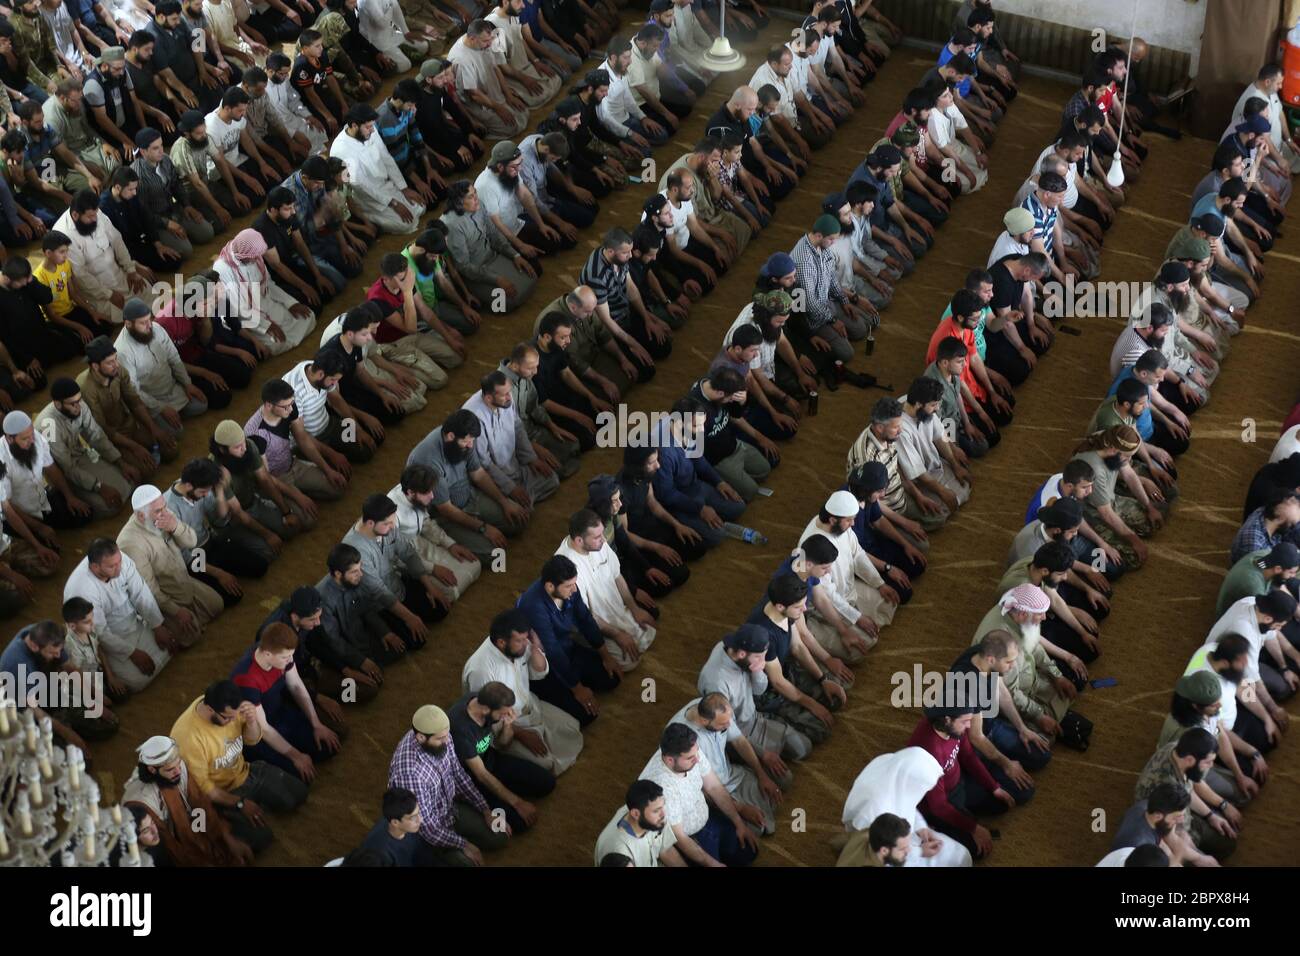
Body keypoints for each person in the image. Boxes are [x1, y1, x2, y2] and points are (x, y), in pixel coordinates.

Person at [171, 680, 310, 848]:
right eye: (227, 718)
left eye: (235, 716)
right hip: (222, 792)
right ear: (210, 710)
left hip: (246, 772)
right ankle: (225, 818)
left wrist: (252, 723)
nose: (233, 721)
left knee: (299, 794)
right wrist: (239, 803)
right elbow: (204, 789)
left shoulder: (232, 707)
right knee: (262, 839)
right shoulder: (188, 738)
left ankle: (256, 802)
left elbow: (251, 741)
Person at [462, 607, 584, 775]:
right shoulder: (481, 670)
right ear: (501, 643)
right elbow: (489, 716)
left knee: (572, 727)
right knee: (546, 764)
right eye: (521, 640)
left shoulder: (518, 645)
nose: (525, 643)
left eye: (526, 638)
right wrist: (520, 733)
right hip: (507, 724)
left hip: (531, 706)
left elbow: (540, 672)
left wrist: (536, 647)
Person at [63, 536, 191, 691]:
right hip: (109, 640)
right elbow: (100, 632)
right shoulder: (82, 590)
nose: (119, 568)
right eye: (112, 566)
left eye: (119, 562)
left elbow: (140, 593)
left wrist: (157, 626)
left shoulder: (119, 559)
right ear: (95, 568)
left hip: (133, 623)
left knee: (170, 642)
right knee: (137, 681)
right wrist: (132, 653)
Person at [387, 703, 508, 866]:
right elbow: (426, 826)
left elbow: (459, 775)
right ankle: (438, 851)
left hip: (449, 808)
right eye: (440, 738)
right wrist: (464, 844)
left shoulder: (441, 734)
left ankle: (456, 839)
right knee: (468, 865)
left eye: (447, 735)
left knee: (499, 836)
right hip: (425, 831)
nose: (447, 741)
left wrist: (485, 809)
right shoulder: (410, 774)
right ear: (421, 738)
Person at [406, 408, 529, 563]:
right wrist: (484, 528)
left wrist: (504, 502)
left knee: (519, 520)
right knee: (495, 553)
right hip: (445, 516)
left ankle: (481, 524)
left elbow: (478, 474)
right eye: (467, 441)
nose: (471, 446)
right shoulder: (428, 460)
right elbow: (446, 509)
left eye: (472, 440)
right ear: (450, 436)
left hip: (470, 496)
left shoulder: (464, 439)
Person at [747, 571, 850, 746]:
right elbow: (777, 681)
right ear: (780, 606)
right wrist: (811, 704)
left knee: (836, 697)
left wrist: (823, 679)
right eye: (799, 607)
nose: (804, 610)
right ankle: (765, 718)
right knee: (820, 730)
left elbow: (797, 646)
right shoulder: (764, 635)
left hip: (784, 667)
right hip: (767, 690)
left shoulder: (785, 610)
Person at [516, 553, 620, 725]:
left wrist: (606, 655)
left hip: (567, 648)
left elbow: (585, 619)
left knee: (611, 679)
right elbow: (552, 650)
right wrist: (577, 688)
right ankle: (561, 689)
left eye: (574, 583)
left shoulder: (569, 589)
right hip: (546, 666)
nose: (574, 589)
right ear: (550, 587)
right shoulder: (533, 606)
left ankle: (577, 680)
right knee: (587, 716)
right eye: (569, 586)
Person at [231, 621, 343, 778]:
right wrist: (296, 756)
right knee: (299, 775)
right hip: (257, 733)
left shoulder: (279, 654)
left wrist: (316, 724)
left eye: (291, 654)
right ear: (268, 654)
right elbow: (263, 728)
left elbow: (296, 686)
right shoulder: (246, 678)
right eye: (286, 657)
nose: (290, 660)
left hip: (279, 713)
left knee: (328, 747)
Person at [639, 722, 759, 867]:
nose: (697, 758)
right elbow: (680, 837)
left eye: (696, 752)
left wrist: (738, 822)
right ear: (670, 760)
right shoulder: (661, 789)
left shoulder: (690, 751)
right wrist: (713, 864)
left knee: (748, 853)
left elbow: (714, 787)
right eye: (690, 758)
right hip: (689, 837)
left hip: (706, 817)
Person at [123, 734, 256, 863]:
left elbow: (200, 805)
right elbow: (169, 844)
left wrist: (225, 838)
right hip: (161, 845)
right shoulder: (141, 803)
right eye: (170, 769)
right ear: (152, 770)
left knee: (256, 838)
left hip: (186, 829)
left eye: (178, 764)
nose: (178, 772)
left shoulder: (177, 768)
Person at [906, 703, 1015, 859]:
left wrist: (993, 787)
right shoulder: (929, 751)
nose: (969, 725)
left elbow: (968, 756)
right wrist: (973, 828)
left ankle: (965, 814)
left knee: (1003, 802)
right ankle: (942, 825)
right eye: (965, 721)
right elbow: (938, 806)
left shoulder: (954, 729)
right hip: (937, 803)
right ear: (947, 720)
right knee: (976, 850)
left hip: (959, 784)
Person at [668, 692, 786, 835]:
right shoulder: (684, 742)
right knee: (762, 828)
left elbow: (739, 741)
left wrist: (762, 775)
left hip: (732, 775)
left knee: (774, 799)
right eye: (723, 724)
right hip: (712, 792)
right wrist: (740, 808)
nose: (729, 725)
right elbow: (703, 788)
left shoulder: (713, 710)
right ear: (705, 722)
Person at [341, 493, 450, 646]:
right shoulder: (355, 551)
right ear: (371, 523)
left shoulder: (386, 527)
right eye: (388, 524)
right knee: (416, 641)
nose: (393, 526)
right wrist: (409, 617)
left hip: (397, 586)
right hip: (378, 604)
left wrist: (429, 586)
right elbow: (378, 591)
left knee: (440, 609)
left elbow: (408, 553)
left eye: (393, 522)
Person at [447, 681, 556, 833]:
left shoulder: (482, 700)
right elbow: (482, 775)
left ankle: (502, 792)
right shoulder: (461, 729)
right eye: (504, 712)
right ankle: (477, 804)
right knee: (520, 823)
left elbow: (503, 744)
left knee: (547, 783)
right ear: (485, 709)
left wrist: (507, 725)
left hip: (491, 759)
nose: (509, 714)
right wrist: (517, 802)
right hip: (472, 778)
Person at [117, 484, 224, 638]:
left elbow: (192, 542)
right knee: (192, 636)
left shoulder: (164, 513)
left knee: (217, 605)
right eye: (158, 511)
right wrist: (176, 611)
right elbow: (149, 591)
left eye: (164, 507)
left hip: (183, 581)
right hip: (166, 597)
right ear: (141, 516)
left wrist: (175, 527)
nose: (165, 513)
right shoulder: (131, 544)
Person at [836, 747, 972, 867]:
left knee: (958, 855)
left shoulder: (899, 774)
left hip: (902, 835)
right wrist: (919, 852)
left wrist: (921, 827)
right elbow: (883, 854)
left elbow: (907, 802)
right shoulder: (873, 809)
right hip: (883, 849)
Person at [798, 492, 895, 662]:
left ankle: (859, 618)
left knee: (888, 604)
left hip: (848, 591)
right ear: (833, 520)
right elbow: (826, 595)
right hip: (827, 605)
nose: (853, 524)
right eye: (849, 520)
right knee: (865, 643)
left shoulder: (841, 526)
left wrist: (879, 584)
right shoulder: (814, 544)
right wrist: (856, 618)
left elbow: (857, 554)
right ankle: (813, 628)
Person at [556, 508, 656, 671]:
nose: (603, 539)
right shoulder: (566, 568)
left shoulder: (597, 545)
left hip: (613, 612)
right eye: (597, 537)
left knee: (647, 634)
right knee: (630, 662)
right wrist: (616, 634)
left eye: (602, 533)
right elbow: (584, 616)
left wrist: (634, 608)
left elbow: (617, 576)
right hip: (589, 625)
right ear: (579, 541)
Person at [0, 619, 118, 747]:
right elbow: (34, 709)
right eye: (52, 653)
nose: (57, 656)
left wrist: (93, 698)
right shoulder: (15, 665)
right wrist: (68, 734)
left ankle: (66, 715)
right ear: (34, 646)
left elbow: (70, 668)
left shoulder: (45, 635)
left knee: (108, 725)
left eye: (59, 651)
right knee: (76, 757)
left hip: (47, 688)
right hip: (25, 710)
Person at [32, 377, 135, 520]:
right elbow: (67, 467)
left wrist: (120, 462)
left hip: (80, 456)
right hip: (62, 471)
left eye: (79, 400)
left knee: (128, 484)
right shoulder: (48, 425)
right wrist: (100, 487)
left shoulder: (80, 405)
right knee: (109, 507)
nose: (78, 406)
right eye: (73, 403)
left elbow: (96, 436)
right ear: (58, 404)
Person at [463, 369, 560, 511]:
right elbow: (484, 463)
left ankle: (526, 499)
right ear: (489, 398)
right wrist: (510, 488)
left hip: (516, 467)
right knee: (521, 513)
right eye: (505, 394)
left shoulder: (506, 399)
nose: (510, 397)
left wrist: (531, 458)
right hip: (497, 478)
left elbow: (518, 427)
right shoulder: (474, 418)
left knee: (552, 480)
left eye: (510, 391)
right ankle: (522, 500)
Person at [1134, 728, 1235, 863]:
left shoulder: (1178, 750)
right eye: (1207, 762)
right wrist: (1198, 857)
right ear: (1189, 760)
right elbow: (1166, 835)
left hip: (1183, 820)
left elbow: (1188, 790)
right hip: (1166, 836)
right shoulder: (1164, 787)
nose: (1211, 766)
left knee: (1227, 843)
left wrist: (1210, 816)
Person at [164, 457, 274, 581]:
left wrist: (220, 491)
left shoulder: (199, 486)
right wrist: (217, 572)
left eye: (208, 491)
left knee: (260, 566)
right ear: (189, 486)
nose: (206, 495)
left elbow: (219, 521)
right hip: (193, 556)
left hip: (209, 542)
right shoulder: (169, 508)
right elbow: (183, 555)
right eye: (203, 492)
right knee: (230, 597)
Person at [51, 187, 149, 325]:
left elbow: (116, 240)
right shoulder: (62, 234)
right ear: (75, 216)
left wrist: (131, 269)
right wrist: (109, 294)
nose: (95, 219)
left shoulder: (95, 213)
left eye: (96, 214)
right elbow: (80, 274)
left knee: (148, 292)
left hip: (118, 274)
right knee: (129, 317)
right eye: (90, 217)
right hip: (96, 290)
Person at [245, 378, 348, 507]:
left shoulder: (290, 406)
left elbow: (302, 439)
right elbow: (266, 477)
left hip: (292, 464)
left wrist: (328, 470)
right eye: (285, 407)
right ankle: (278, 499)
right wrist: (297, 496)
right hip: (276, 478)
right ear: (269, 405)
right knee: (307, 522)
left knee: (338, 489)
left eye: (291, 403)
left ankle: (301, 492)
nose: (290, 409)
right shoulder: (255, 434)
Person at [114, 297, 208, 438]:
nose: (149, 326)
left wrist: (187, 384)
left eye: (149, 320)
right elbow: (134, 390)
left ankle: (174, 415)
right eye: (143, 323)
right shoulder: (122, 351)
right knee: (177, 432)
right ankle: (158, 419)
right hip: (151, 400)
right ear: (128, 324)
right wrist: (161, 408)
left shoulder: (156, 329)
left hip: (171, 388)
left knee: (201, 405)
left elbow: (174, 358)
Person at [213, 228, 316, 356]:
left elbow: (268, 284)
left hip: (264, 301)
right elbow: (237, 307)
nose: (258, 259)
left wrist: (291, 303)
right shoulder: (222, 268)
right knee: (275, 343)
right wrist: (266, 325)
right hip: (247, 315)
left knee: (309, 316)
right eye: (254, 256)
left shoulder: (254, 256)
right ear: (245, 253)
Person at [845, 397, 930, 552]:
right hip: (884, 511)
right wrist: (904, 523)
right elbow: (872, 502)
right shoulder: (866, 457)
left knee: (939, 516)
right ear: (879, 427)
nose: (901, 430)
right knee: (922, 546)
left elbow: (895, 466)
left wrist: (917, 494)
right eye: (896, 427)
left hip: (900, 496)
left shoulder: (888, 435)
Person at [387, 465, 482, 603]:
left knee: (474, 564)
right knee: (451, 591)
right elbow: (397, 556)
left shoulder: (414, 495)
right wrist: (433, 569)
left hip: (418, 541)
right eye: (427, 492)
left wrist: (450, 544)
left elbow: (426, 522)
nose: (432, 496)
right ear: (411, 492)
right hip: (404, 556)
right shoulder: (390, 516)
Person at [441, 179, 538, 311]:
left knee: (532, 274)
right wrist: (496, 279)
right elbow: (464, 266)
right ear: (459, 203)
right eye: (470, 196)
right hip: (474, 272)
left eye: (475, 192)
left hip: (492, 256)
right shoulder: (452, 225)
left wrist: (515, 255)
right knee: (505, 304)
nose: (476, 198)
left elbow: (494, 235)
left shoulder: (478, 205)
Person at [330, 102, 426, 233]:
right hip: (368, 197)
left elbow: (386, 158)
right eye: (369, 127)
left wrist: (403, 188)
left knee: (421, 208)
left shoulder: (368, 130)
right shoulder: (341, 149)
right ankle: (367, 215)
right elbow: (360, 184)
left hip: (387, 185)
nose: (373, 130)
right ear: (354, 126)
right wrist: (393, 203)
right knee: (407, 225)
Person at [895, 375, 971, 527]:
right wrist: (941, 491)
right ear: (918, 404)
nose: (937, 409)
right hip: (914, 479)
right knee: (939, 514)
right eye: (933, 405)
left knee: (963, 484)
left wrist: (955, 465)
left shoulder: (924, 410)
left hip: (932, 468)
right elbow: (915, 470)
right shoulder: (900, 428)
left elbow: (940, 436)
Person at [1, 409, 94, 530]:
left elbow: (51, 467)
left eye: (32, 435)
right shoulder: (1, 460)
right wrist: (39, 527)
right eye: (25, 439)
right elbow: (8, 506)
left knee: (86, 514)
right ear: (10, 439)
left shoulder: (35, 438)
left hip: (43, 502)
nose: (32, 440)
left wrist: (69, 497)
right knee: (50, 546)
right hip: (21, 515)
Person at [594, 779, 685, 866]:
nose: (663, 814)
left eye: (662, 806)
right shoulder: (619, 853)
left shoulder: (649, 819)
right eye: (656, 811)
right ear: (635, 814)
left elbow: (665, 850)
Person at [1109, 783, 1193, 865]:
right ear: (1158, 816)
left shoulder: (1146, 807)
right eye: (1176, 817)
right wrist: (1179, 855)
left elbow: (1160, 842)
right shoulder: (1141, 846)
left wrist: (1176, 858)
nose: (1180, 821)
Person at [358, 787, 425, 866]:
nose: (421, 820)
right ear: (395, 822)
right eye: (413, 817)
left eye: (418, 813)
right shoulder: (378, 855)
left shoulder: (407, 826)